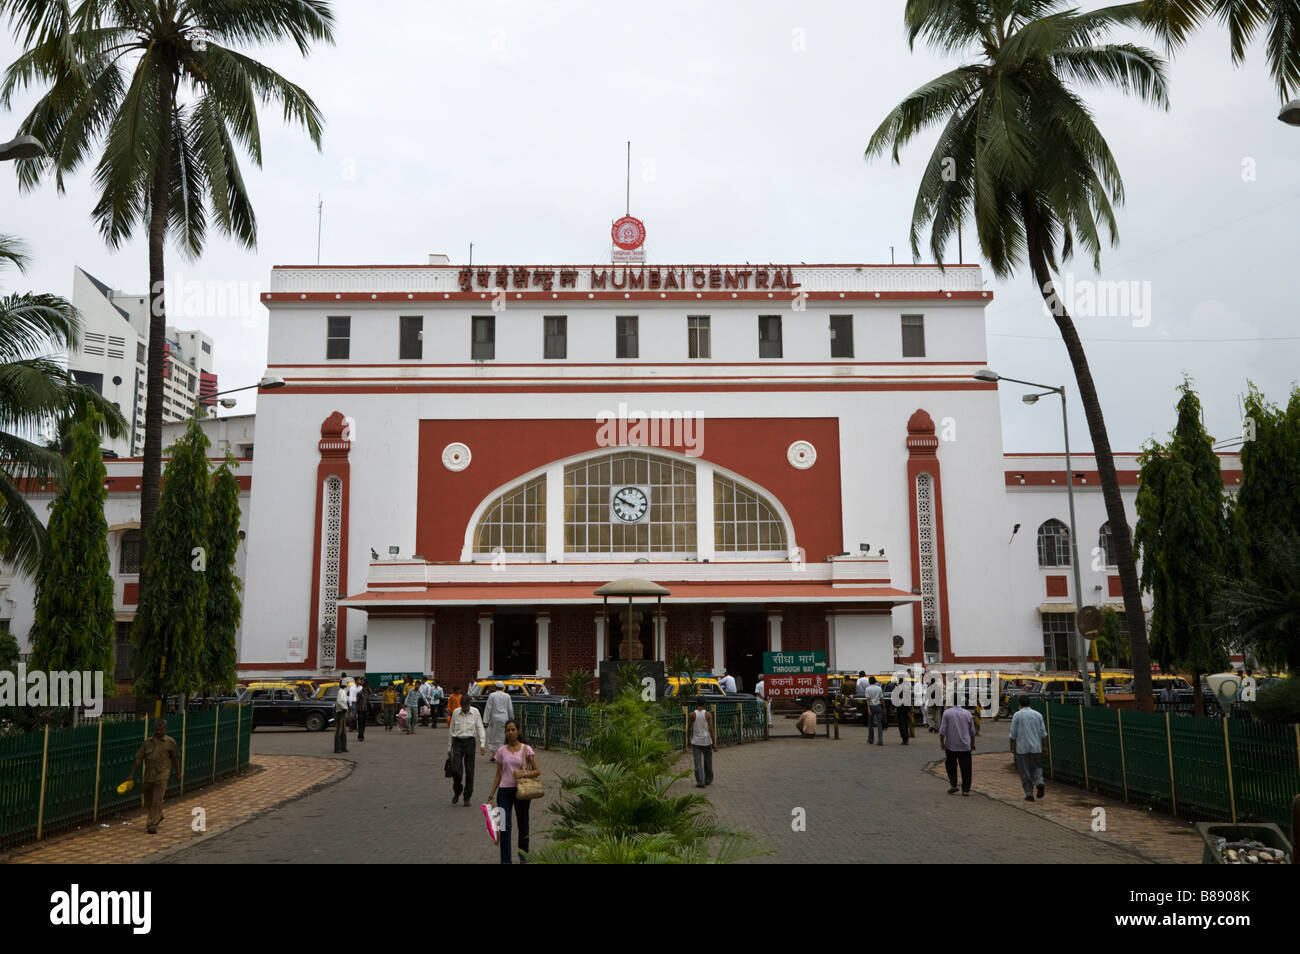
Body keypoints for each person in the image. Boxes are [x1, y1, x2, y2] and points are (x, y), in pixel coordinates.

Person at [488, 720, 541, 864]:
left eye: (513, 729)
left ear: (518, 731)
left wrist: (523, 774)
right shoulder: (501, 751)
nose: (510, 732)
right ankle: (506, 860)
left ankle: (523, 855)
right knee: (504, 827)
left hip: (522, 792)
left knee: (523, 825)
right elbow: (498, 775)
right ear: (505, 733)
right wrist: (491, 795)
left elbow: (537, 771)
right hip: (504, 792)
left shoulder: (526, 749)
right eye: (508, 730)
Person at [124, 719, 181, 834]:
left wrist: (178, 773)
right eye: (157, 730)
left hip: (162, 774)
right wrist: (131, 774)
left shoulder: (170, 742)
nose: (159, 732)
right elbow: (139, 758)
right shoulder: (147, 743)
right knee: (148, 799)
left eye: (161, 730)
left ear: (165, 729)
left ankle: (152, 824)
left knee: (157, 799)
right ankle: (158, 815)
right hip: (149, 774)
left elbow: (175, 758)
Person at [448, 693, 486, 805]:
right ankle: (457, 790)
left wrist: (482, 744)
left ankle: (467, 796)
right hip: (457, 742)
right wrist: (449, 747)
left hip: (470, 742)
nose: (464, 709)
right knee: (457, 771)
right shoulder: (456, 713)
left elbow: (480, 727)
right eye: (463, 707)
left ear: (469, 705)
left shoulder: (475, 712)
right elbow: (451, 730)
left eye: (466, 707)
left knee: (470, 771)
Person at [1010, 695, 1048, 800]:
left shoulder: (1017, 715)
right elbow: (1043, 734)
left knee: (1025, 771)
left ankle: (1029, 794)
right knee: (1037, 767)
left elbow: (1013, 734)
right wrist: (1044, 747)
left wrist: (1012, 746)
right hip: (1036, 747)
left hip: (1022, 748)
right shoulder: (1038, 715)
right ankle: (1040, 783)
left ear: (1020, 704)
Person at [939, 703, 976, 795]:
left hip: (951, 745)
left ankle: (953, 785)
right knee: (966, 768)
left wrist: (942, 742)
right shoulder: (967, 713)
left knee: (950, 765)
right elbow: (972, 731)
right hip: (965, 745)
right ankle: (966, 790)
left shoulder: (947, 713)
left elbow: (942, 730)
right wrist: (972, 744)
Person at [689, 697, 716, 786]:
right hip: (707, 741)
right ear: (704, 704)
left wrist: (688, 740)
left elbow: (688, 728)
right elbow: (711, 729)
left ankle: (700, 781)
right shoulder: (708, 714)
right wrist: (714, 743)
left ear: (696, 704)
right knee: (708, 761)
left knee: (697, 762)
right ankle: (708, 780)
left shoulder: (692, 714)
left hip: (696, 741)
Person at [482, 681, 514, 753]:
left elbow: (488, 708)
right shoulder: (507, 696)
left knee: (493, 736)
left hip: (494, 719)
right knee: (503, 735)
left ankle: (495, 752)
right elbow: (510, 709)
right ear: (503, 688)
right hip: (504, 718)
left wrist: (485, 720)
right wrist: (511, 718)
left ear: (495, 687)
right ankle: (502, 751)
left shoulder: (492, 695)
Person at [864, 676, 884, 745]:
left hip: (871, 707)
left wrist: (868, 709)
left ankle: (870, 739)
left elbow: (868, 700)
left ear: (869, 682)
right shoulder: (879, 688)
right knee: (879, 725)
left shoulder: (867, 689)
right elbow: (881, 699)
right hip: (878, 706)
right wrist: (884, 708)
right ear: (875, 681)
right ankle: (880, 741)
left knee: (870, 724)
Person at [894, 680, 912, 745]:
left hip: (900, 707)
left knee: (901, 724)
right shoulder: (907, 688)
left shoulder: (897, 688)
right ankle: (906, 738)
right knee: (905, 722)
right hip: (905, 707)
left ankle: (904, 738)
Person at [334, 682, 350, 752]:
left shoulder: (343, 691)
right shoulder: (341, 692)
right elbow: (339, 701)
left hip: (343, 712)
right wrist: (345, 707)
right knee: (339, 731)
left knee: (343, 730)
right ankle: (337, 748)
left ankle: (343, 747)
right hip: (340, 712)